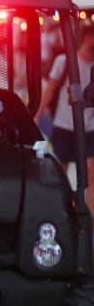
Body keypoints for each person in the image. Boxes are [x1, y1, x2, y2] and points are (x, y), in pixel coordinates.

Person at [38, 25, 94, 212]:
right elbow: (50, 89)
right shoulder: (64, 61)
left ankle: (90, 219)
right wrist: (37, 115)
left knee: (91, 174)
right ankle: (59, 211)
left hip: (90, 127)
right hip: (64, 125)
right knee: (59, 173)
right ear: (86, 38)